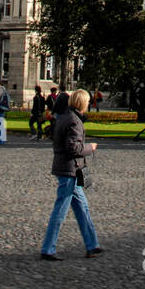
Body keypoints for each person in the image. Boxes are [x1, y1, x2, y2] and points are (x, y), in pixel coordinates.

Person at [40, 88, 102, 261]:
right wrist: (91, 148)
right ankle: (48, 248)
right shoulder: (74, 121)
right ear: (82, 103)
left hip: (71, 169)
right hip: (69, 170)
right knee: (60, 210)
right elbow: (73, 148)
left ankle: (92, 245)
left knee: (83, 208)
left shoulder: (65, 117)